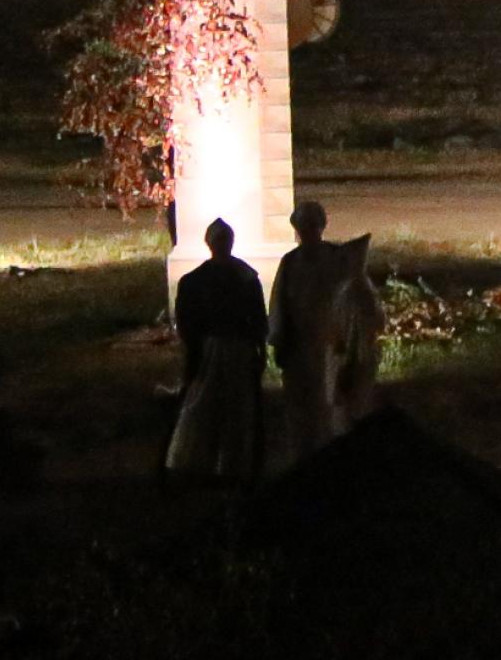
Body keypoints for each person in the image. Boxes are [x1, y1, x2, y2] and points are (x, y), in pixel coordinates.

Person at [268, 201, 384, 460]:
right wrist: (279, 339)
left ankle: (331, 452)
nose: (307, 232)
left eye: (311, 226)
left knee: (330, 401)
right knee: (301, 406)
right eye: (302, 227)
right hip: (299, 346)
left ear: (320, 227)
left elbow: (359, 296)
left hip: (331, 344)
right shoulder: (291, 262)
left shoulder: (336, 258)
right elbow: (279, 303)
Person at [164, 218, 267, 485]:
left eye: (225, 241)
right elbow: (188, 322)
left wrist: (259, 348)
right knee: (207, 405)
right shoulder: (201, 280)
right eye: (219, 241)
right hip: (213, 351)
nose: (222, 246)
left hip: (235, 351)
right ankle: (204, 460)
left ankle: (230, 462)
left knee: (234, 408)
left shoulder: (243, 276)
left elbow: (257, 318)